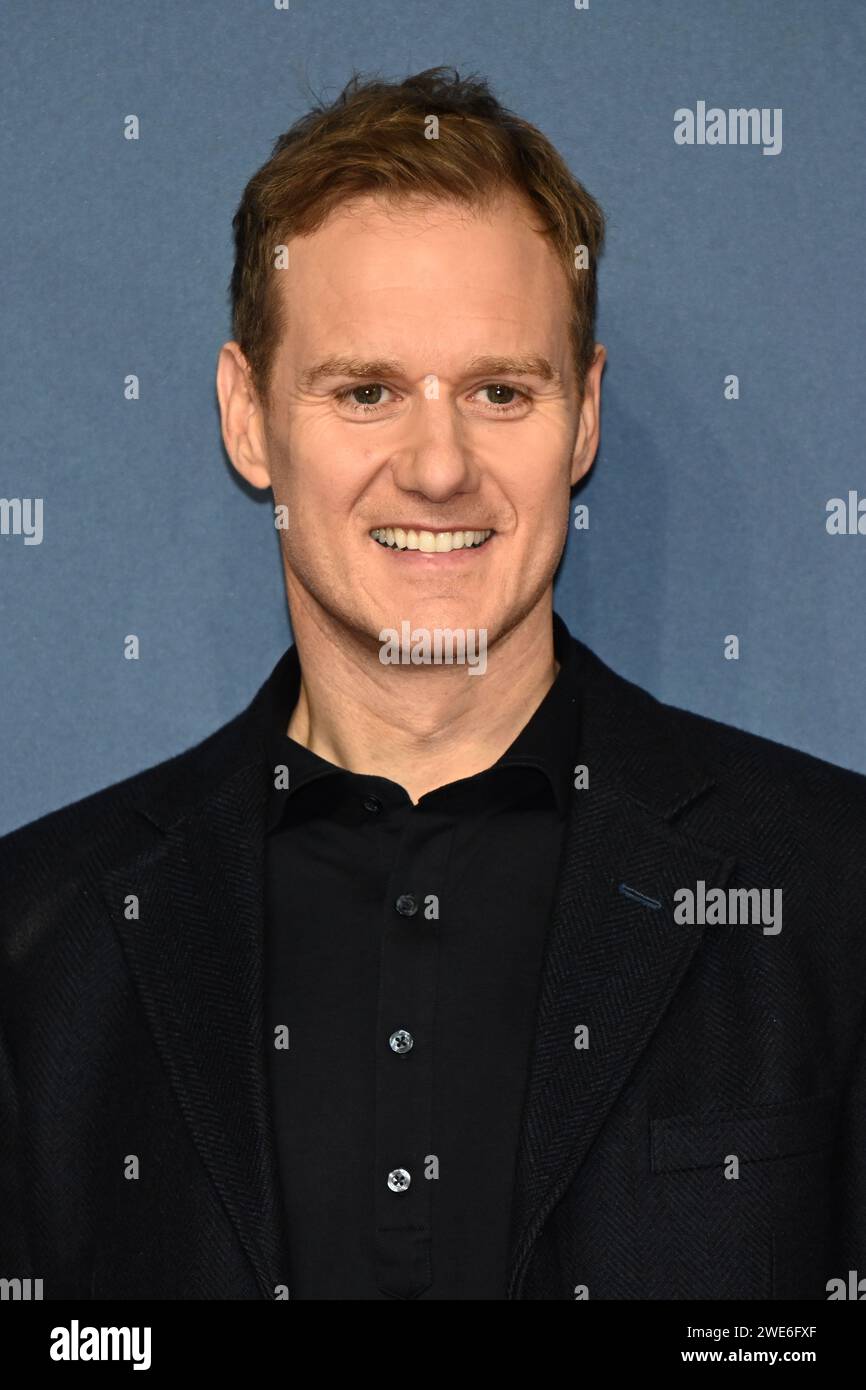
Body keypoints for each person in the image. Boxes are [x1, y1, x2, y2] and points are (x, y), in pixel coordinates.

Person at [2, 66, 865, 1301]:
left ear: (582, 419)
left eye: (498, 392)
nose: (438, 466)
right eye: (365, 393)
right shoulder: (43, 944)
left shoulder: (829, 891)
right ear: (249, 420)